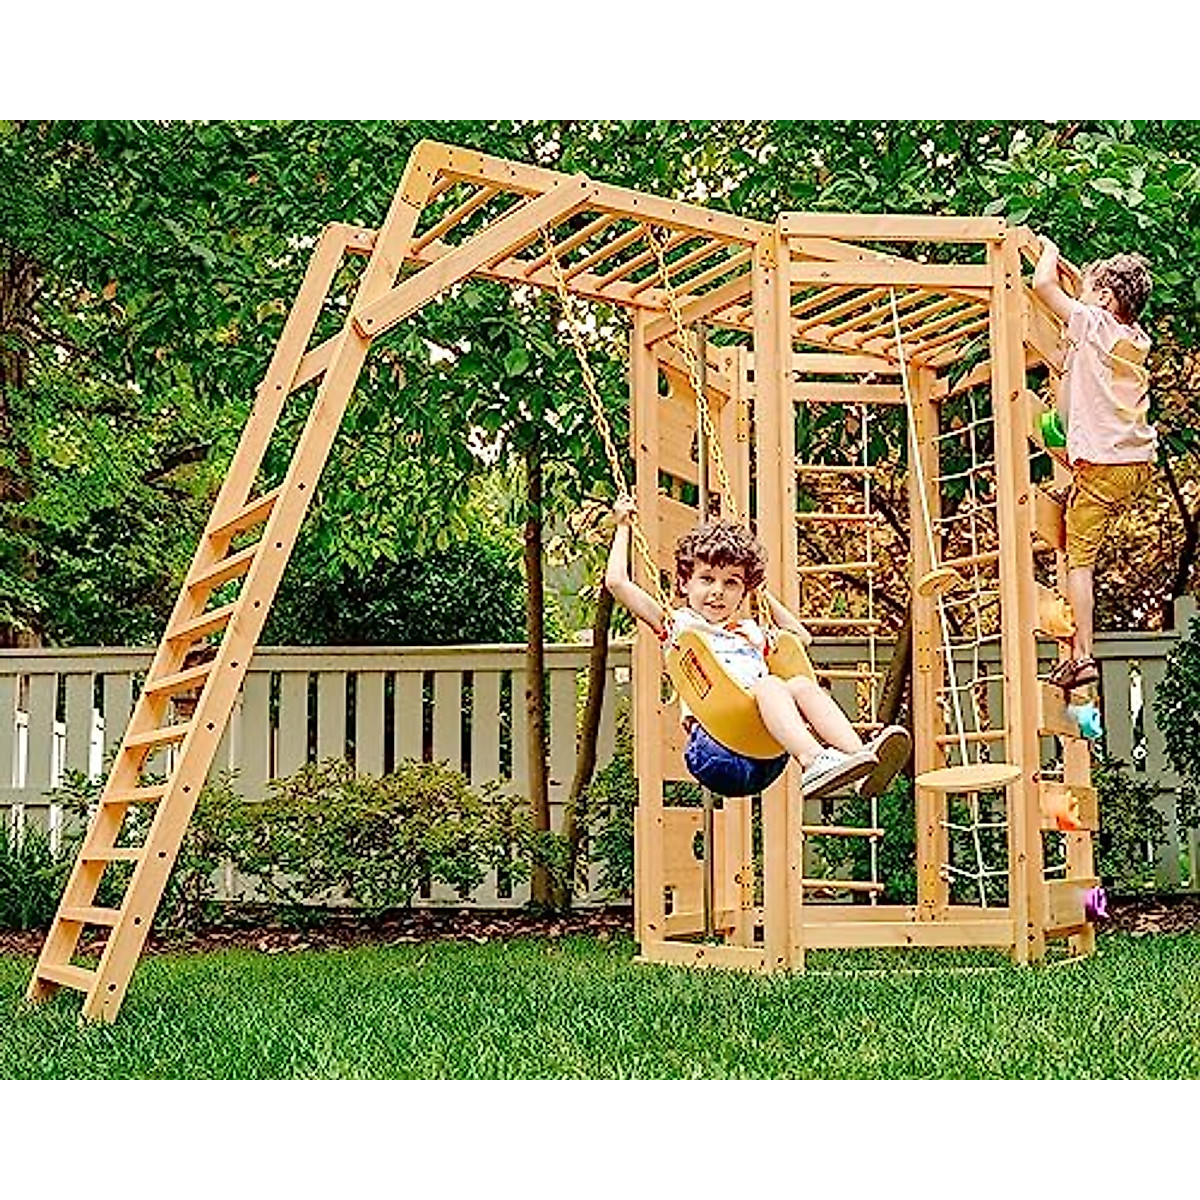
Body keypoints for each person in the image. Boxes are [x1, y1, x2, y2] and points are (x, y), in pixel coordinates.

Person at [604, 494, 910, 799]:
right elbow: (617, 583)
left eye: (732, 583)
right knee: (771, 685)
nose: (718, 591)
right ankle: (813, 760)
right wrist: (623, 527)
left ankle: (861, 760)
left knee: (801, 684)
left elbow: (800, 639)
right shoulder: (678, 626)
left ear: (744, 591)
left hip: (764, 749)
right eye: (707, 579)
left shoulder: (749, 632)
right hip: (717, 748)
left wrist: (762, 594)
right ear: (685, 583)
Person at [1033, 240, 1155, 690]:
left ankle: (1082, 654)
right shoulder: (1134, 337)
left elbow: (1042, 285)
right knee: (1085, 513)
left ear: (1104, 299)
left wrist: (1048, 251)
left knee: (1079, 561)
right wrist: (1083, 282)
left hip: (1105, 464)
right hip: (1133, 463)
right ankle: (1077, 496)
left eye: (1087, 291)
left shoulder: (1093, 322)